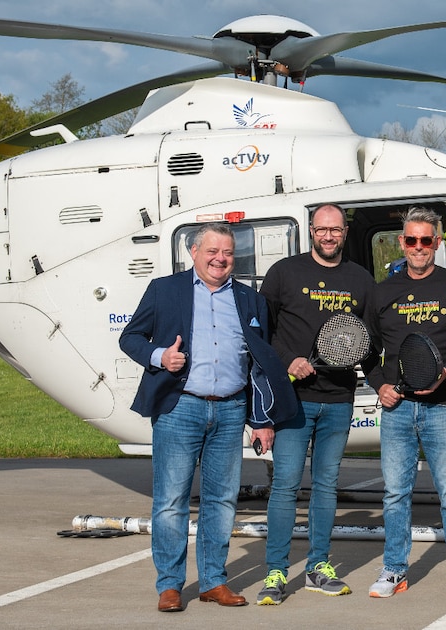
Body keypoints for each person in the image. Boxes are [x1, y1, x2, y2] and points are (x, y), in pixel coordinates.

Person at [119, 223, 295, 613]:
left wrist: (261, 418)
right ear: (194, 252)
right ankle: (169, 585)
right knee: (171, 500)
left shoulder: (249, 300)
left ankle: (214, 582)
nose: (221, 259)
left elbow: (259, 366)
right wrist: (160, 356)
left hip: (231, 410)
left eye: (228, 253)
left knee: (222, 500)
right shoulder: (165, 290)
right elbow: (130, 337)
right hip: (181, 406)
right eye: (213, 251)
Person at [255, 204, 376, 605]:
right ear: (311, 230)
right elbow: (262, 331)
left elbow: (365, 338)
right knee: (286, 486)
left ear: (345, 232)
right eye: (322, 229)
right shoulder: (284, 273)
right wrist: (288, 360)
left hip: (339, 400)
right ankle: (274, 571)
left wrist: (383, 382)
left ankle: (318, 567)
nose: (328, 236)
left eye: (336, 230)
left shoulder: (360, 279)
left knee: (325, 488)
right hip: (293, 402)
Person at [364, 207, 446, 600]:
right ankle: (395, 569)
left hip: (444, 408)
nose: (418, 247)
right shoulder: (382, 292)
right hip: (397, 410)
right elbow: (367, 351)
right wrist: (380, 385)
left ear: (438, 242)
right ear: (401, 243)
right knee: (395, 493)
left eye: (426, 240)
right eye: (411, 240)